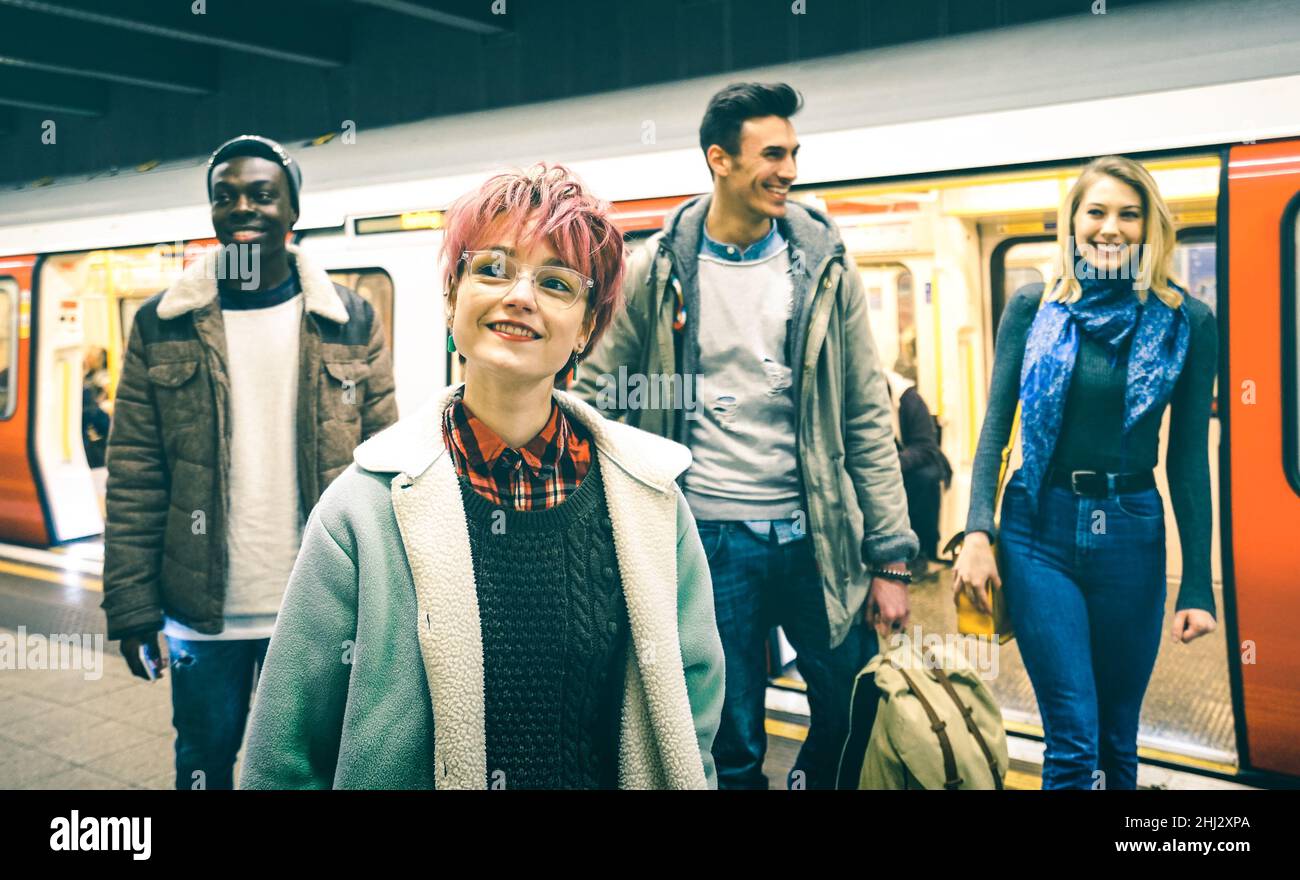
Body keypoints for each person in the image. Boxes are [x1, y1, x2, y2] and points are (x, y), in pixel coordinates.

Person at [240, 164, 725, 790]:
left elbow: (690, 710)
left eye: (556, 283)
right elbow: (285, 752)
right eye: (492, 269)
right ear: (451, 300)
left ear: (586, 330)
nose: (518, 296)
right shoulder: (361, 511)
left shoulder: (649, 500)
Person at [571, 82, 917, 790]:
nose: (788, 169)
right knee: (729, 739)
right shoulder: (658, 270)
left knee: (852, 708)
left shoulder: (823, 267)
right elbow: (594, 396)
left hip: (817, 535)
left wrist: (891, 557)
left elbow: (865, 416)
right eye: (772, 154)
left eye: (793, 153)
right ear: (719, 159)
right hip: (709, 537)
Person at [102, 134, 398, 790]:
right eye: (226, 196)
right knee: (203, 764)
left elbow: (386, 462)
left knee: (309, 773)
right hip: (201, 615)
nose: (243, 208)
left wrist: (389, 596)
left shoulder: (348, 319)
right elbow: (135, 470)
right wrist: (131, 607)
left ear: (292, 211)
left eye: (262, 195)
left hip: (318, 605)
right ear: (211, 212)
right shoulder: (163, 323)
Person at [953, 155, 1218, 790]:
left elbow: (1186, 461)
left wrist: (1199, 587)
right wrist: (977, 534)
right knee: (1073, 739)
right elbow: (996, 425)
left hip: (1130, 535)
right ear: (1072, 225)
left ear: (1150, 229)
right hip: (1037, 530)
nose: (1111, 228)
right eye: (1095, 212)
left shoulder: (1188, 322)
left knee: (1117, 740)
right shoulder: (1033, 305)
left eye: (1129, 214)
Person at [884, 368, 951, 574]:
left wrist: (890, 463)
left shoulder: (910, 400)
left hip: (919, 467)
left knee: (925, 478)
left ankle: (923, 550)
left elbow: (926, 448)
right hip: (892, 467)